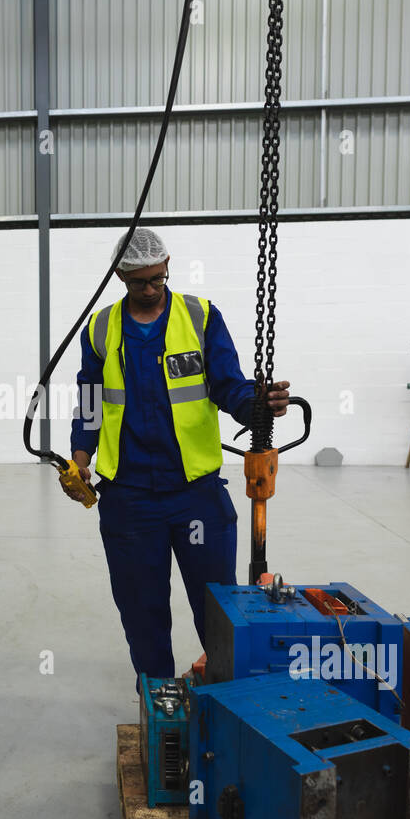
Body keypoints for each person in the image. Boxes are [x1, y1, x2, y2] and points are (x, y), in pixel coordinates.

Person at [65, 227, 291, 693]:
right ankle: (160, 703)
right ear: (121, 278)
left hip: (196, 496)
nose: (150, 290)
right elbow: (89, 398)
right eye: (138, 282)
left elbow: (229, 385)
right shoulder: (101, 328)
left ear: (168, 266)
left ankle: (227, 703)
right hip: (128, 499)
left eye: (157, 279)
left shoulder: (200, 316)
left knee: (217, 608)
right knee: (142, 609)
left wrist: (257, 405)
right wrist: (80, 456)